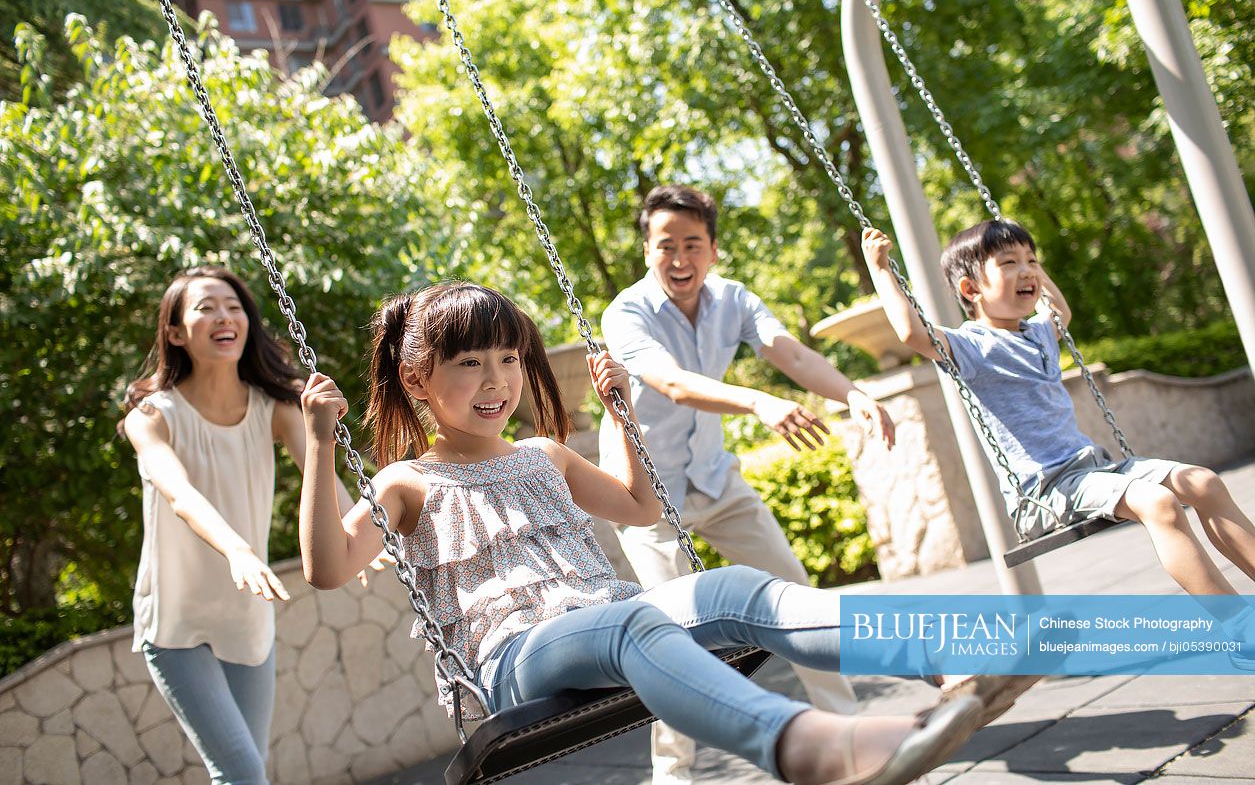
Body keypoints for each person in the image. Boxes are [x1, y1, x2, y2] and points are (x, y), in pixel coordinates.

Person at [296, 281, 992, 785]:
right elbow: (327, 568)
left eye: (508, 358)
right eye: (470, 362)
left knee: (738, 587)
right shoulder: (406, 482)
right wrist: (321, 445)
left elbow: (636, 505)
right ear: (418, 378)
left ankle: (947, 660)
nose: (496, 380)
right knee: (635, 624)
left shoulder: (543, 455)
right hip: (514, 655)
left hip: (603, 618)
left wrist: (621, 413)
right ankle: (805, 748)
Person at [599, 184, 895, 783]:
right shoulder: (625, 312)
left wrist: (854, 391)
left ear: (712, 251)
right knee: (669, 637)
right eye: (665, 246)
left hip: (714, 479)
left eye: (692, 245)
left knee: (799, 599)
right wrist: (759, 402)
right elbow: (673, 383)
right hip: (646, 495)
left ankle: (851, 741)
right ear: (647, 250)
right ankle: (675, 775)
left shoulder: (733, 299)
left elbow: (793, 354)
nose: (679, 259)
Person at [862, 221, 1255, 663]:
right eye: (1008, 263)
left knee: (1202, 482)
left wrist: (1031, 271)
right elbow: (912, 334)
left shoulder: (1038, 332)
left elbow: (1059, 311)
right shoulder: (972, 347)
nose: (1027, 270)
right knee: (1158, 503)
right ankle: (1236, 628)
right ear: (971, 289)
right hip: (1047, 490)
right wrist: (881, 271)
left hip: (1095, 467)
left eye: (1031, 260)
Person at [121, 267, 367, 784]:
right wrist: (237, 550)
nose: (224, 316)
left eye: (233, 307)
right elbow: (182, 495)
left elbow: (319, 471)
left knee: (246, 773)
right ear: (175, 332)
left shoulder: (272, 408)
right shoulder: (153, 416)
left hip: (249, 619)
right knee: (241, 773)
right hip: (177, 626)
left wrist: (355, 530)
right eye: (205, 307)